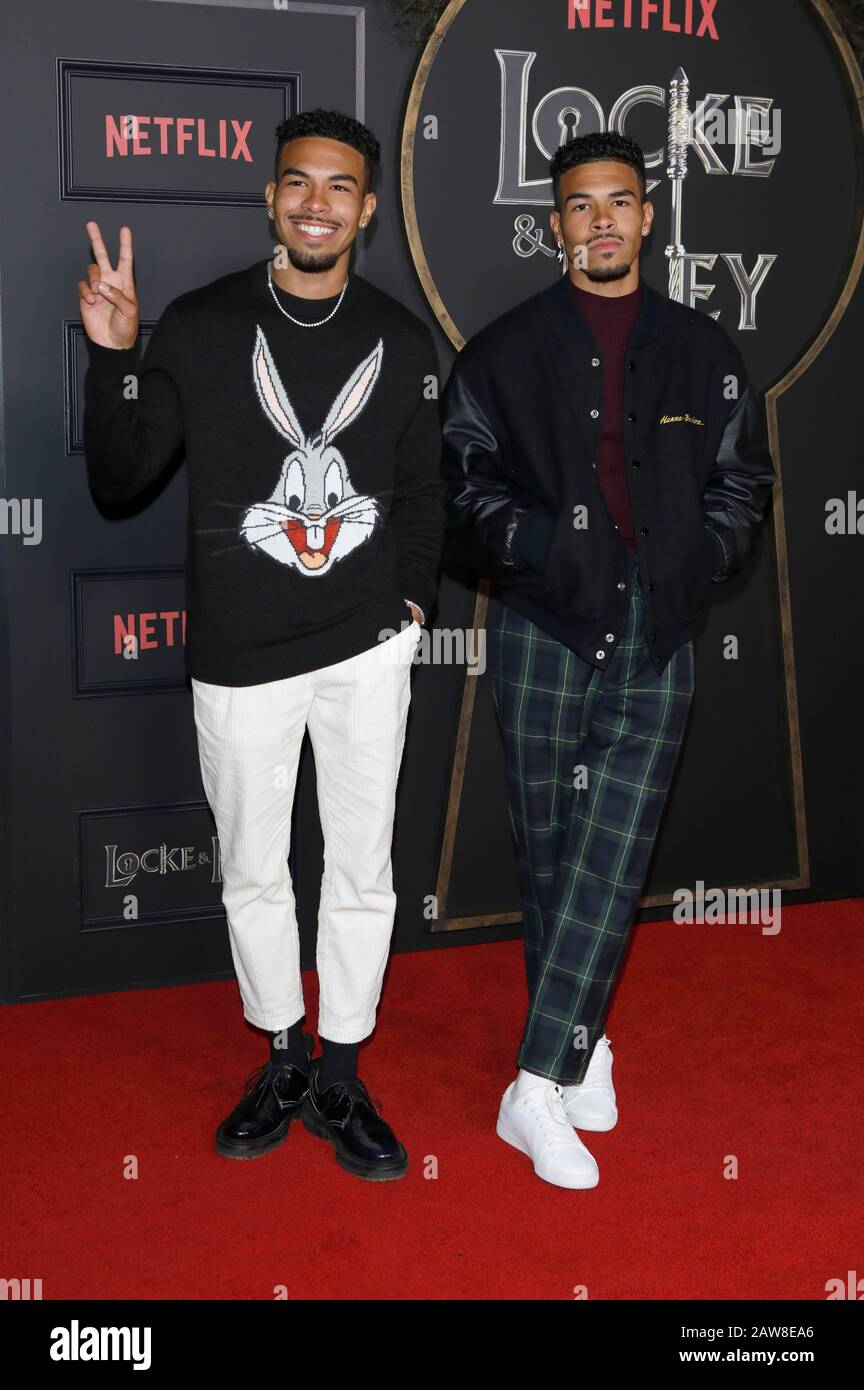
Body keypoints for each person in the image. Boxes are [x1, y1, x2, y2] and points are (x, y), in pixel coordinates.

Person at [80, 108, 444, 1182]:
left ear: (367, 209)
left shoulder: (399, 336)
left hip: (366, 646)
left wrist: (411, 603)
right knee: (252, 867)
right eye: (299, 182)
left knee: (361, 869)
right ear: (271, 194)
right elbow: (119, 479)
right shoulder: (196, 325)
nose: (317, 202)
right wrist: (115, 360)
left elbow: (425, 488)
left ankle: (341, 1067)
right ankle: (282, 1054)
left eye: (339, 187)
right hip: (239, 651)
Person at [440, 131, 775, 1190]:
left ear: (647, 216)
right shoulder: (501, 351)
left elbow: (744, 482)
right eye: (579, 206)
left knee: (615, 851)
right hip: (543, 624)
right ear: (555, 224)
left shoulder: (705, 350)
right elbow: (460, 482)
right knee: (550, 849)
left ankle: (534, 1083)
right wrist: (543, 549)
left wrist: (698, 554)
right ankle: (583, 1046)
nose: (601, 222)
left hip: (660, 629)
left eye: (618, 202)